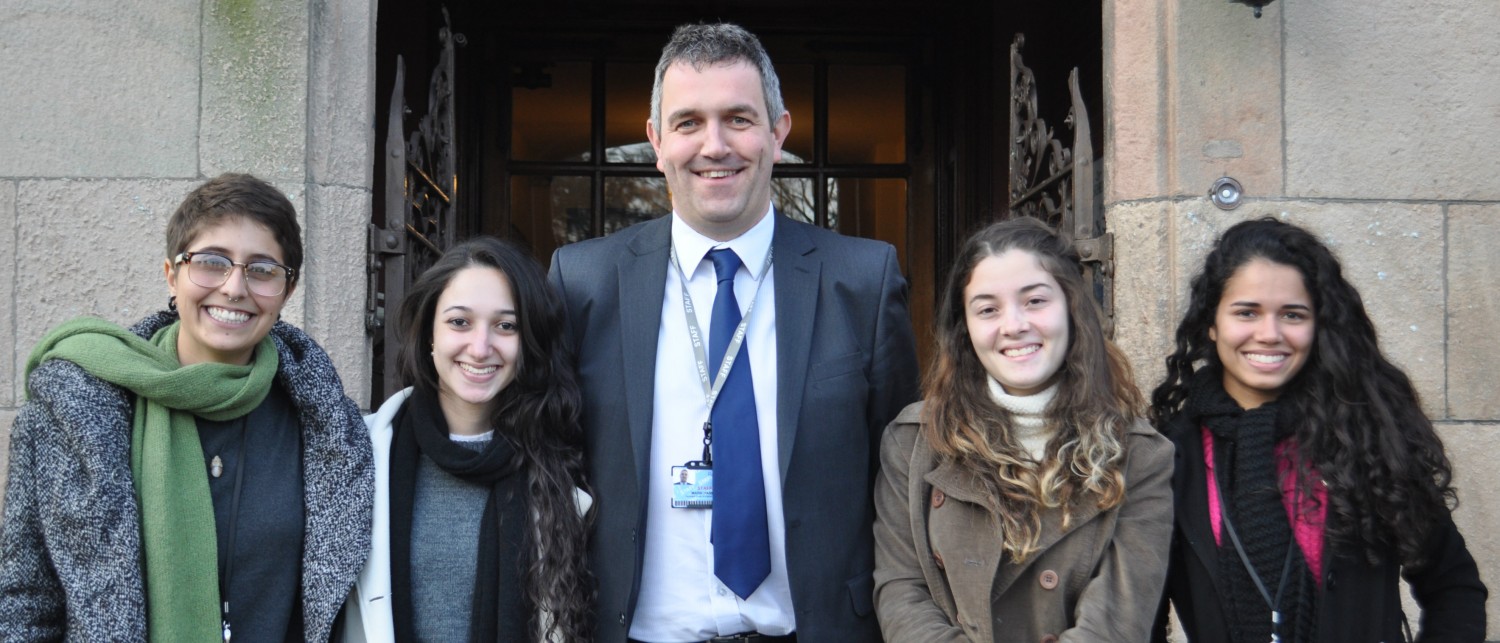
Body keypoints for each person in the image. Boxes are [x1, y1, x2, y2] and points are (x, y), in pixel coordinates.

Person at [548, 22, 919, 642]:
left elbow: (901, 473)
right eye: (689, 122)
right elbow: (551, 463)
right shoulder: (584, 282)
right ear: (657, 142)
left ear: (778, 134)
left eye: (739, 119)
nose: (714, 145)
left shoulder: (863, 280)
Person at [0, 173, 372, 640]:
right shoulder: (73, 410)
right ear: (172, 275)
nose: (235, 287)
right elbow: (25, 602)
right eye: (212, 263)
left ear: (287, 291)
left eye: (262, 270)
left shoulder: (325, 427)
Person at [1150, 218, 1487, 642]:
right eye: (1246, 312)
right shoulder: (1170, 457)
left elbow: (1453, 585)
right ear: (1211, 323)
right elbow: (1143, 616)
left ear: (1318, 325)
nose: (1269, 334)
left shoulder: (1366, 436)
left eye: (1292, 314)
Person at [872, 217, 1173, 641]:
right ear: (966, 329)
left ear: (1072, 307)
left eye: (1034, 301)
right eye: (988, 309)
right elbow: (902, 593)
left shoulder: (1141, 454)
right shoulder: (914, 441)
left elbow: (1118, 620)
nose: (1013, 325)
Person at [343, 237, 593, 642]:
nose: (480, 348)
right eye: (460, 322)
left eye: (506, 326)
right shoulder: (362, 455)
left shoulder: (562, 465)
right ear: (429, 333)